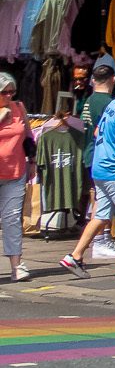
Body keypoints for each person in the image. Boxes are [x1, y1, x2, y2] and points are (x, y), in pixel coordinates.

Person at [64, 73, 115, 277]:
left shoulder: (114, 105)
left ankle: (74, 256)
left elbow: (96, 132)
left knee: (101, 215)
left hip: (99, 167)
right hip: (114, 170)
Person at [0, 74, 28, 281]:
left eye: (12, 91)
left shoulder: (19, 107)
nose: (8, 96)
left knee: (12, 219)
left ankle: (16, 266)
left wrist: (33, 162)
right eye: (4, 92)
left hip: (16, 172)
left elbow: (28, 137)